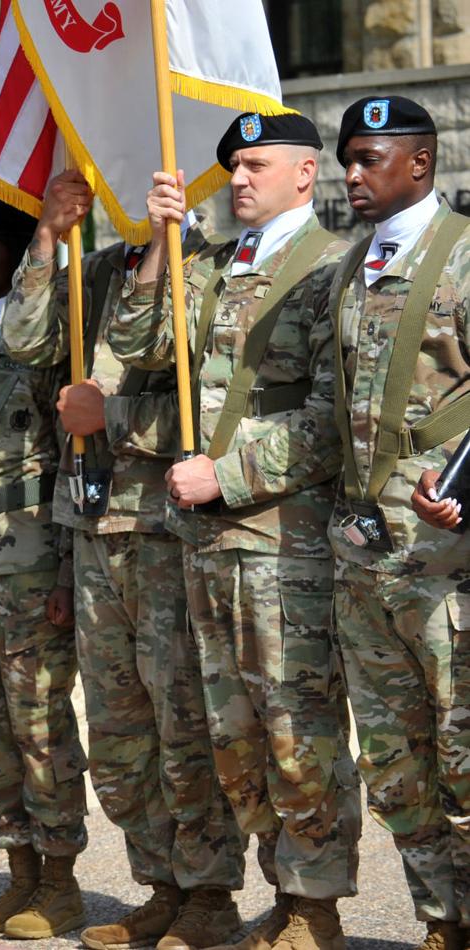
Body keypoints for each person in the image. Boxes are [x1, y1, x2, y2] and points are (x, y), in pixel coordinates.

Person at [109, 112, 362, 950]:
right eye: (232, 167)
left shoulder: (334, 268)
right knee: (233, 736)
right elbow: (135, 343)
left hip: (283, 540)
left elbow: (336, 418)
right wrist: (158, 245)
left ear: (304, 173)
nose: (238, 179)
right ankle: (281, 895)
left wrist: (229, 475)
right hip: (205, 542)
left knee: (296, 728)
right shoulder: (212, 266)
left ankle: (314, 909)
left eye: (255, 164)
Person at [5, 170, 247, 950]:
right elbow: (25, 340)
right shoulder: (100, 268)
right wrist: (48, 233)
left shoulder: (214, 269)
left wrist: (109, 417)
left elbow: (213, 407)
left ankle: (208, 893)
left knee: (183, 725)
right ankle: (160, 884)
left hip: (163, 530)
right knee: (118, 732)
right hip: (91, 526)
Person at [327, 95, 470, 950]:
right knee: (393, 758)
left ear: (419, 162)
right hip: (366, 561)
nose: (351, 174)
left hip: (446, 557)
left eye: (367, 158)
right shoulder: (354, 263)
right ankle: (440, 918)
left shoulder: (462, 255)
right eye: (345, 159)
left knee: (463, 751)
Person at [0, 194, 90, 940]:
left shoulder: (45, 334)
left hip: (29, 554)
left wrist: (65, 569)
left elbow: (69, 454)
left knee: (38, 722)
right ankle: (19, 873)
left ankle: (60, 881)